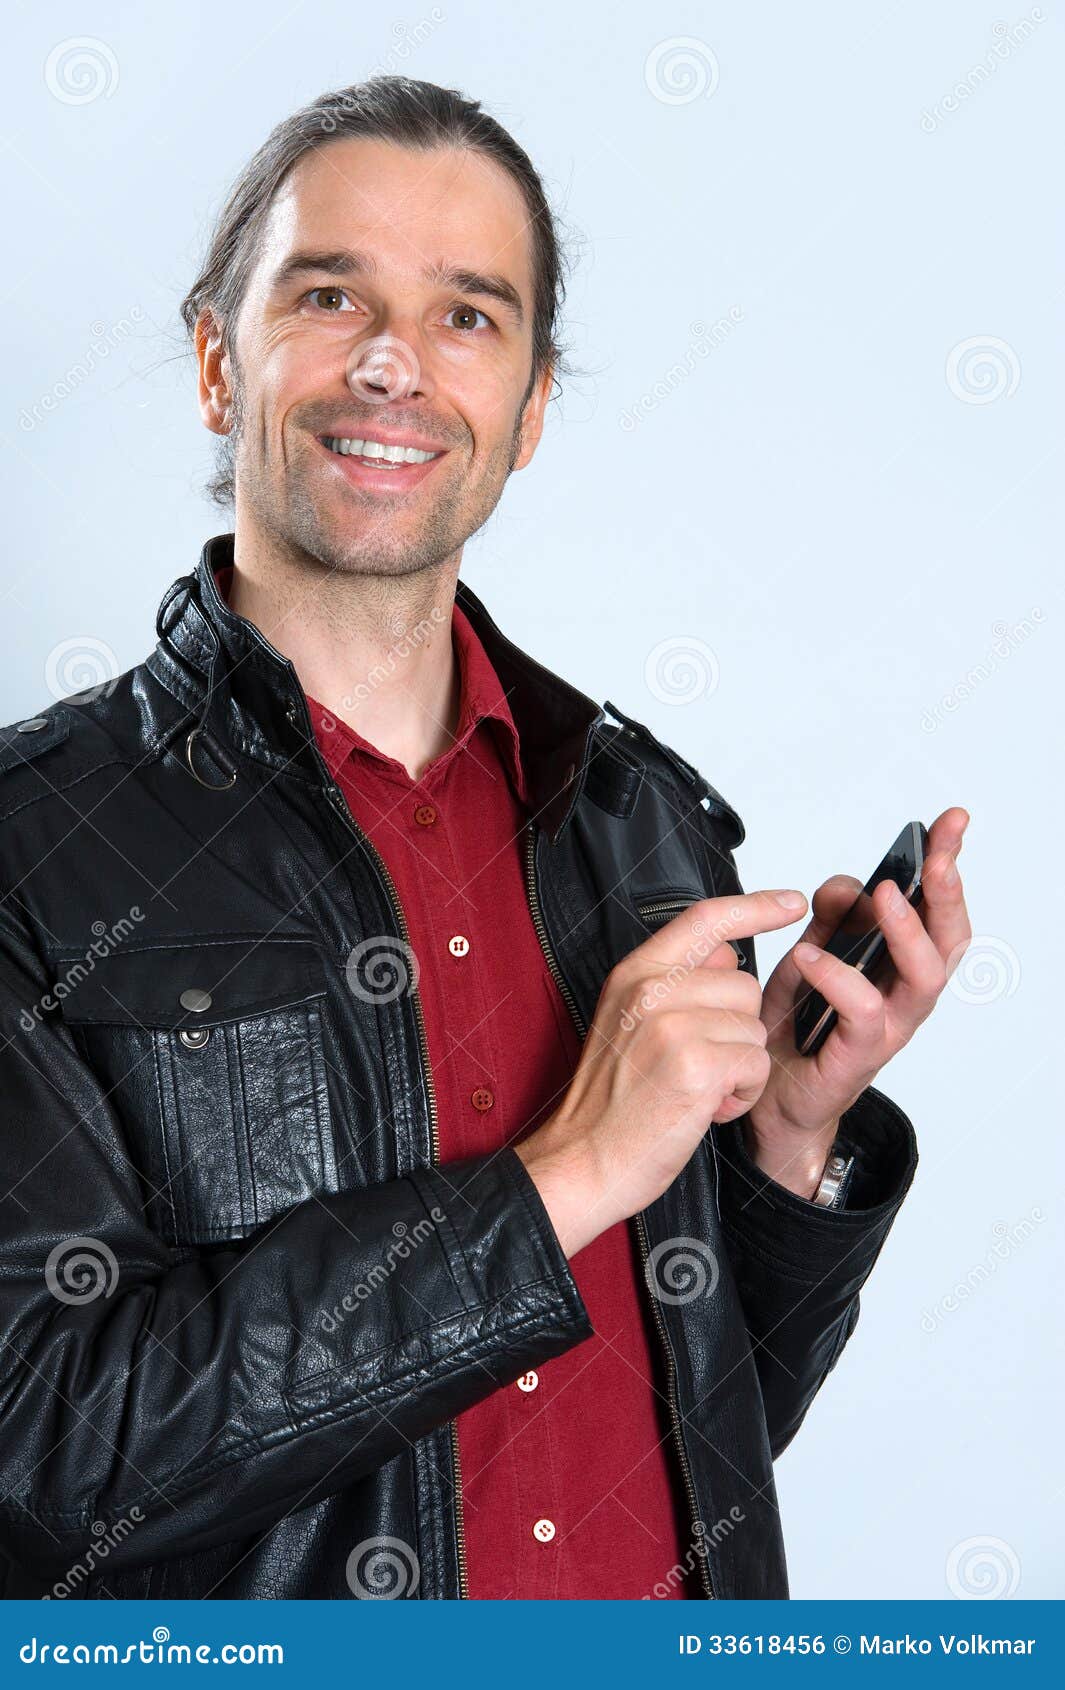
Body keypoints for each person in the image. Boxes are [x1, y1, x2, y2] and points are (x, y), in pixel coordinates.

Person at [0, 76, 970, 1602]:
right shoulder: (31, 845)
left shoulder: (634, 815)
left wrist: (783, 1137)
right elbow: (47, 1458)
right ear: (213, 359)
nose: (392, 363)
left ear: (524, 415)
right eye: (330, 295)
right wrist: (564, 1172)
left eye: (467, 316)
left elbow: (692, 1432)